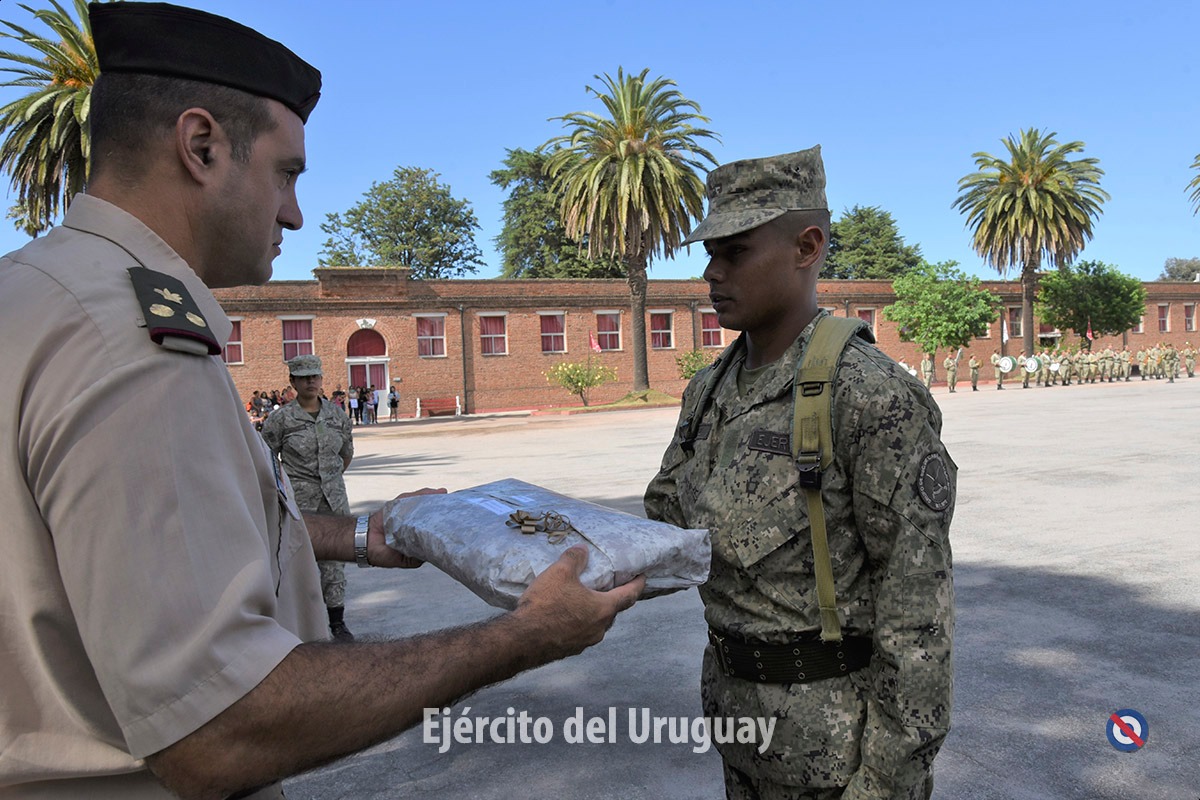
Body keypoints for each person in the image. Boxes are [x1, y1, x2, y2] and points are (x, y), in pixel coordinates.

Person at [0, 4, 644, 798]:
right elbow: (221, 727)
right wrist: (525, 635)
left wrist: (364, 534)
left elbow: (133, 540)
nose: (295, 213)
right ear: (200, 146)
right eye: (287, 172)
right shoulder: (134, 342)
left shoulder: (33, 295)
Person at [644, 147, 954, 799]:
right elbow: (666, 529)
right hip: (741, 723)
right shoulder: (708, 391)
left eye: (736, 252)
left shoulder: (869, 397)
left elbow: (917, 614)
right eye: (710, 252)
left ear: (806, 246)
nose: (711, 272)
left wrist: (886, 781)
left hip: (837, 745)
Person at [260, 354, 358, 641]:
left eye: (315, 376)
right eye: (304, 377)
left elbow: (346, 454)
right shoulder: (281, 419)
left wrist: (330, 479)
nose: (311, 382)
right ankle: (296, 624)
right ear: (293, 381)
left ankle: (337, 622)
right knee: (295, 563)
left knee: (335, 562)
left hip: (334, 501)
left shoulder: (337, 415)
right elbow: (267, 459)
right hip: (298, 503)